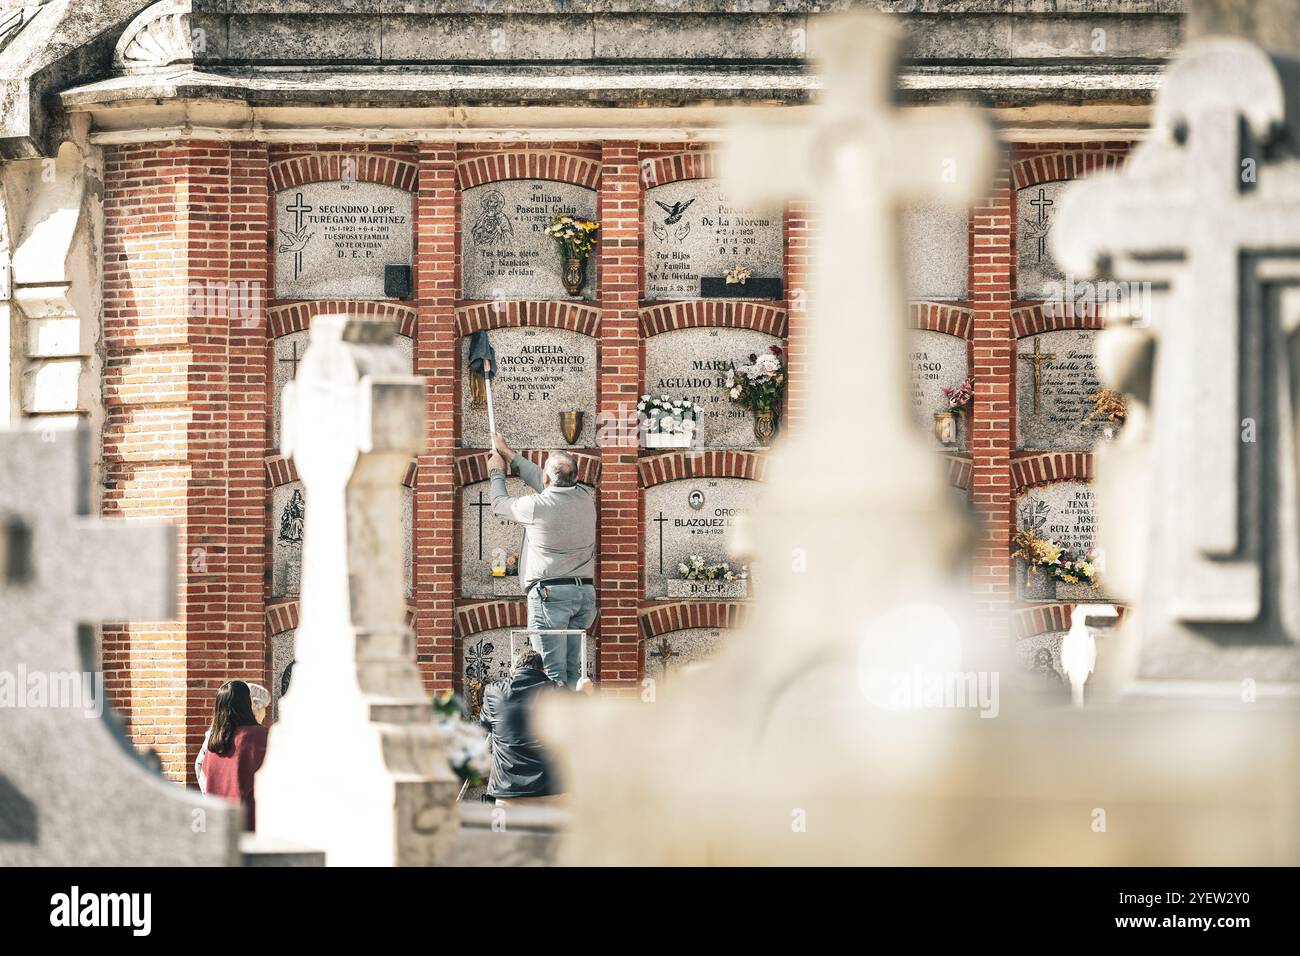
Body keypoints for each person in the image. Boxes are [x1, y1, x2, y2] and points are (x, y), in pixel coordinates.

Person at [488, 432, 597, 689]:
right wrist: (510, 455)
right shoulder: (583, 497)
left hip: (550, 596)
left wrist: (496, 472)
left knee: (551, 673)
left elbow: (499, 504)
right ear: (576, 477)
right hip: (583, 596)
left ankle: (554, 728)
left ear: (548, 478)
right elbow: (545, 480)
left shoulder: (537, 506)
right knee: (573, 672)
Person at [478, 648, 561, 805]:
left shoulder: (493, 691)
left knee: (505, 830)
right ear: (543, 670)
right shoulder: (556, 690)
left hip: (507, 791)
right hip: (550, 791)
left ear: (513, 669)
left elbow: (485, 725)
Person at [199, 680, 269, 830]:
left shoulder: (213, 744)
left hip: (219, 826)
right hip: (250, 825)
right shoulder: (259, 736)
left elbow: (204, 783)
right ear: (246, 703)